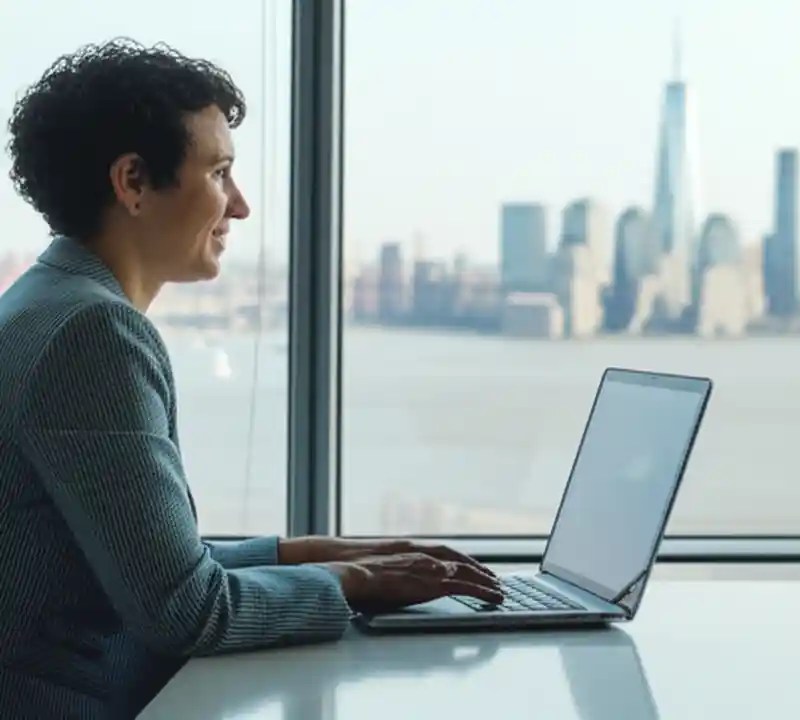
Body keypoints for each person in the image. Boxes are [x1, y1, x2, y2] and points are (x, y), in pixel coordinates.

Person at [0, 40, 504, 717]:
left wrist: (303, 554)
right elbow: (183, 612)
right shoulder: (92, 336)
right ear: (133, 182)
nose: (238, 206)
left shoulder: (42, 303)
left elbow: (143, 567)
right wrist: (354, 582)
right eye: (220, 172)